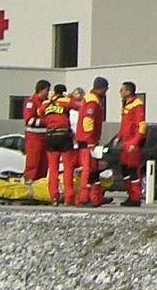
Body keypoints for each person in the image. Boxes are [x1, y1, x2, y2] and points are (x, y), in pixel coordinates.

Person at [74, 77, 108, 206]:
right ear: (102, 88)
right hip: (88, 141)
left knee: (93, 170)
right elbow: (88, 121)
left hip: (86, 140)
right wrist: (90, 140)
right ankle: (84, 198)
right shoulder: (93, 102)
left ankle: (95, 197)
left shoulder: (89, 99)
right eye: (106, 88)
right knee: (88, 170)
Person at [41, 84, 74, 204]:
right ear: (63, 92)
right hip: (64, 135)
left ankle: (54, 196)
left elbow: (40, 112)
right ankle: (69, 196)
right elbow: (78, 105)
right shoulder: (66, 101)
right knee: (68, 167)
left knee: (53, 168)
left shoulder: (46, 103)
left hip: (50, 136)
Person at [116, 82, 147, 207]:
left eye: (122, 89)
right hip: (126, 141)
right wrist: (119, 137)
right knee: (124, 169)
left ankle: (135, 196)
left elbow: (141, 125)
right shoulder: (126, 105)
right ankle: (130, 194)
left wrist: (135, 142)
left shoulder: (137, 104)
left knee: (133, 169)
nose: (120, 92)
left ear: (128, 91)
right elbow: (124, 124)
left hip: (133, 142)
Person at [20, 79, 50, 190]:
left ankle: (39, 189)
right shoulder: (31, 102)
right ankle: (28, 189)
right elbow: (29, 120)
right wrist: (46, 122)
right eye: (47, 90)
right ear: (41, 90)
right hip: (34, 139)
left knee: (43, 165)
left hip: (45, 139)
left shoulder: (47, 103)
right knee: (33, 163)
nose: (48, 93)